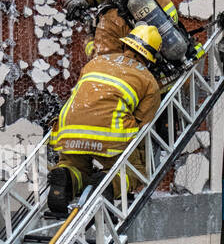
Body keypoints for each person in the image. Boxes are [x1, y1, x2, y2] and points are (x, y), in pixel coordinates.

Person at [47, 22, 163, 217]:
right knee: (135, 171)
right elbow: (142, 124)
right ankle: (108, 184)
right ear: (151, 57)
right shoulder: (149, 81)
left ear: (126, 46)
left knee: (75, 165)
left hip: (68, 128)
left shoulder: (95, 62)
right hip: (108, 134)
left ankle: (66, 177)